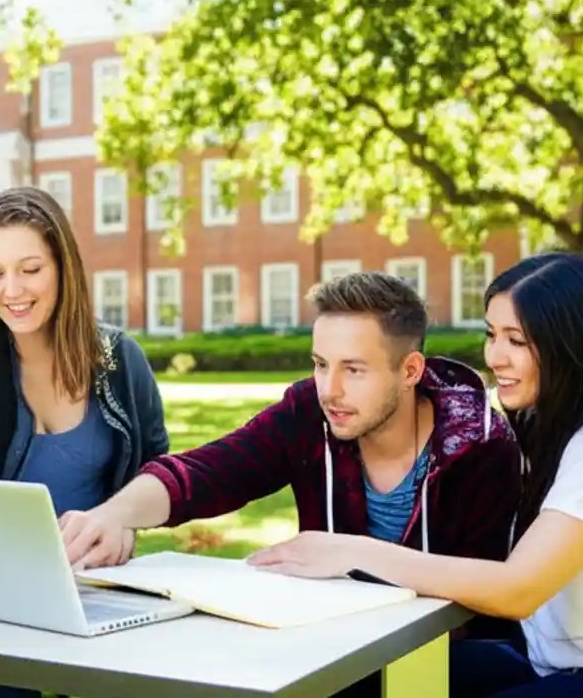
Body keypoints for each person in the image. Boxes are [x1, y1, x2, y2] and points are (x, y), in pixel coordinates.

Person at [247, 253, 583, 698]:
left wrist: (350, 551)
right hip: (557, 668)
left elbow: (517, 589)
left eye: (517, 340)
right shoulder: (542, 425)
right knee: (376, 678)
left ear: (570, 345)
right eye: (491, 334)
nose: (494, 357)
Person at [60, 271, 525, 683]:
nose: (330, 389)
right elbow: (210, 471)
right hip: (326, 651)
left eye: (354, 370)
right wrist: (116, 514)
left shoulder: (477, 445)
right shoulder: (309, 413)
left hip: (446, 662)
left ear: (409, 370)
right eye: (321, 364)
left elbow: (476, 604)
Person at [0, 185, 169, 698]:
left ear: (63, 267)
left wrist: (123, 525)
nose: (12, 290)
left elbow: (158, 472)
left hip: (99, 592)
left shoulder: (118, 360)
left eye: (30, 269)